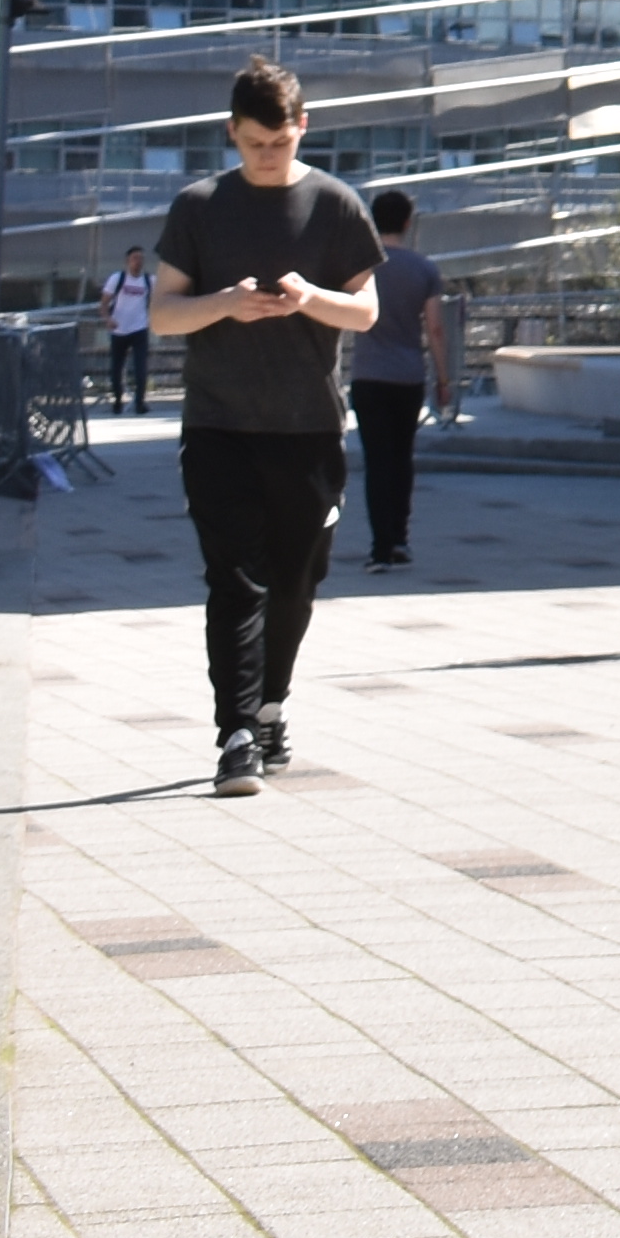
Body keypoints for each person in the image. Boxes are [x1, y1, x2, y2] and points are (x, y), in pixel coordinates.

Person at [146, 60, 382, 794]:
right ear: (232, 135)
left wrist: (310, 296)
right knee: (234, 579)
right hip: (219, 424)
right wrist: (224, 304)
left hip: (309, 428)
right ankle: (236, 734)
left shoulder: (336, 206)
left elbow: (366, 311)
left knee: (295, 582)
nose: (267, 156)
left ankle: (271, 703)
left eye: (278, 143)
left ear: (301, 128)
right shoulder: (200, 206)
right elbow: (162, 313)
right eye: (253, 144)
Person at [347, 189, 458, 568]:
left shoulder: (360, 267)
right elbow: (436, 330)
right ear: (408, 222)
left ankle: (379, 547)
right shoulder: (424, 269)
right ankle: (400, 538)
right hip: (408, 376)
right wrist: (444, 381)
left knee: (376, 462)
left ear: (372, 221)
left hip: (368, 375)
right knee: (401, 459)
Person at [102, 249, 156, 415]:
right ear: (127, 261)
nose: (138, 261)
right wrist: (108, 319)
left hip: (139, 328)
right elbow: (103, 303)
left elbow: (161, 299)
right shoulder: (117, 279)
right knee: (116, 368)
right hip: (119, 329)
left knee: (141, 367)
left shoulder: (149, 280)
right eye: (134, 258)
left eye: (141, 258)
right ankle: (118, 400)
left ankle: (140, 402)